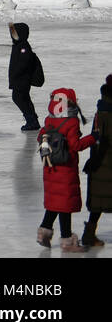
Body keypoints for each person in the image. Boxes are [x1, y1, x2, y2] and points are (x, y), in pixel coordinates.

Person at [37, 87, 96, 252]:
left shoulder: (50, 120)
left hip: (50, 167)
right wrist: (93, 138)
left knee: (55, 202)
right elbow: (76, 145)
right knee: (65, 204)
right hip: (65, 168)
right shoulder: (71, 121)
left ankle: (44, 232)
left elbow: (39, 137)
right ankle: (67, 241)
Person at [82, 74, 112, 248]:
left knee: (98, 202)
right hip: (107, 162)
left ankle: (89, 234)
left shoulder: (101, 111)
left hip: (99, 164)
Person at [8, 22, 42, 131]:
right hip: (19, 79)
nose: (13, 35)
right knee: (24, 99)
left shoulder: (23, 46)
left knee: (19, 98)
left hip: (22, 79)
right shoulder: (18, 45)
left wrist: (16, 73)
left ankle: (31, 120)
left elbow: (25, 61)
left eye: (15, 33)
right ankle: (32, 120)